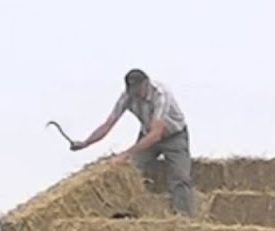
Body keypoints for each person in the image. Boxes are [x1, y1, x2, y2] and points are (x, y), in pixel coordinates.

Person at [69, 68, 194, 216]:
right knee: (132, 171)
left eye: (138, 89)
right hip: (147, 134)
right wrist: (86, 143)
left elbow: (156, 133)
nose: (135, 93)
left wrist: (126, 154)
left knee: (180, 177)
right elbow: (108, 124)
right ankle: (130, 214)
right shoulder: (127, 96)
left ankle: (183, 220)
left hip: (174, 136)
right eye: (132, 89)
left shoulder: (161, 95)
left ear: (146, 84)